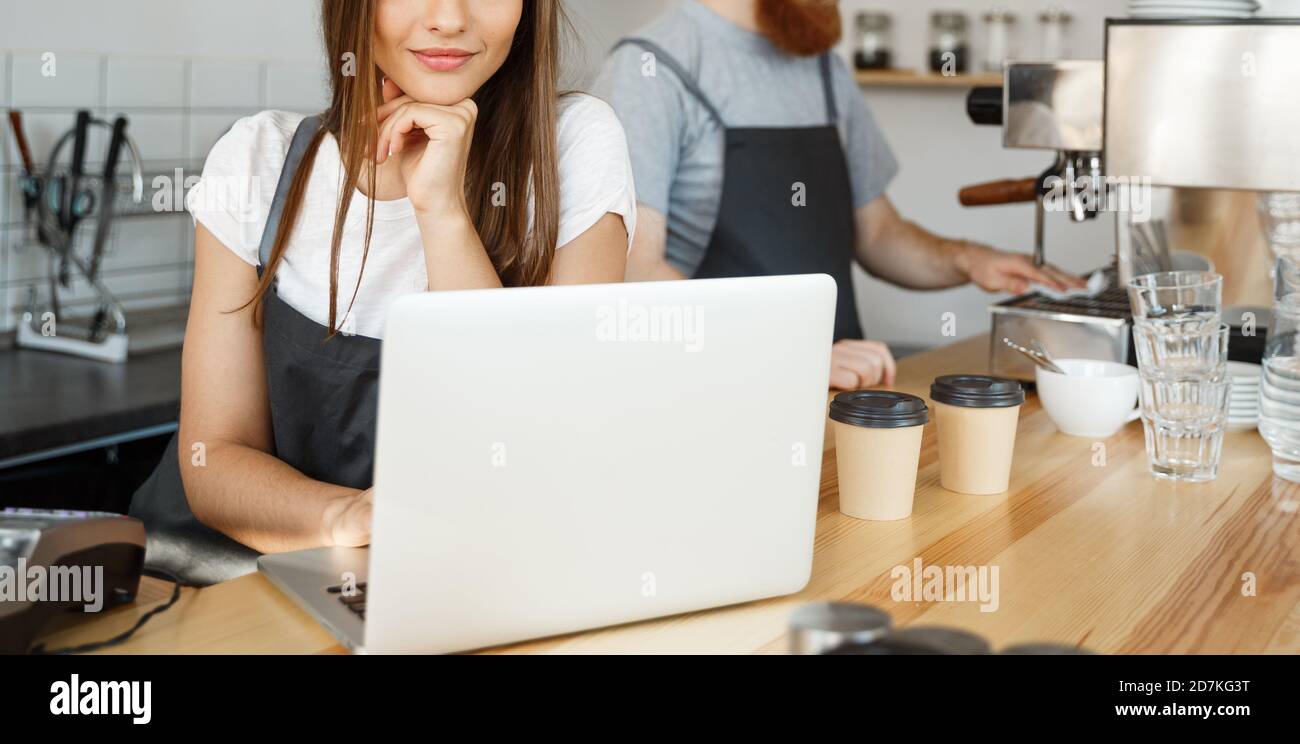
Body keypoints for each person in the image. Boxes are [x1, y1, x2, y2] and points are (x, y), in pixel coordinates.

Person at [130, 0, 637, 584]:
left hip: (443, 590)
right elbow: (213, 461)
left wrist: (442, 211)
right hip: (211, 586)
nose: (449, 18)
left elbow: (533, 457)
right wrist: (349, 519)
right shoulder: (257, 162)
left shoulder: (572, 148)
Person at [593, 0, 1084, 390]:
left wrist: (968, 260)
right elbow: (635, 275)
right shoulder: (651, 67)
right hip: (723, 396)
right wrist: (788, 353)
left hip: (841, 392)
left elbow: (877, 233)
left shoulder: (823, 68)